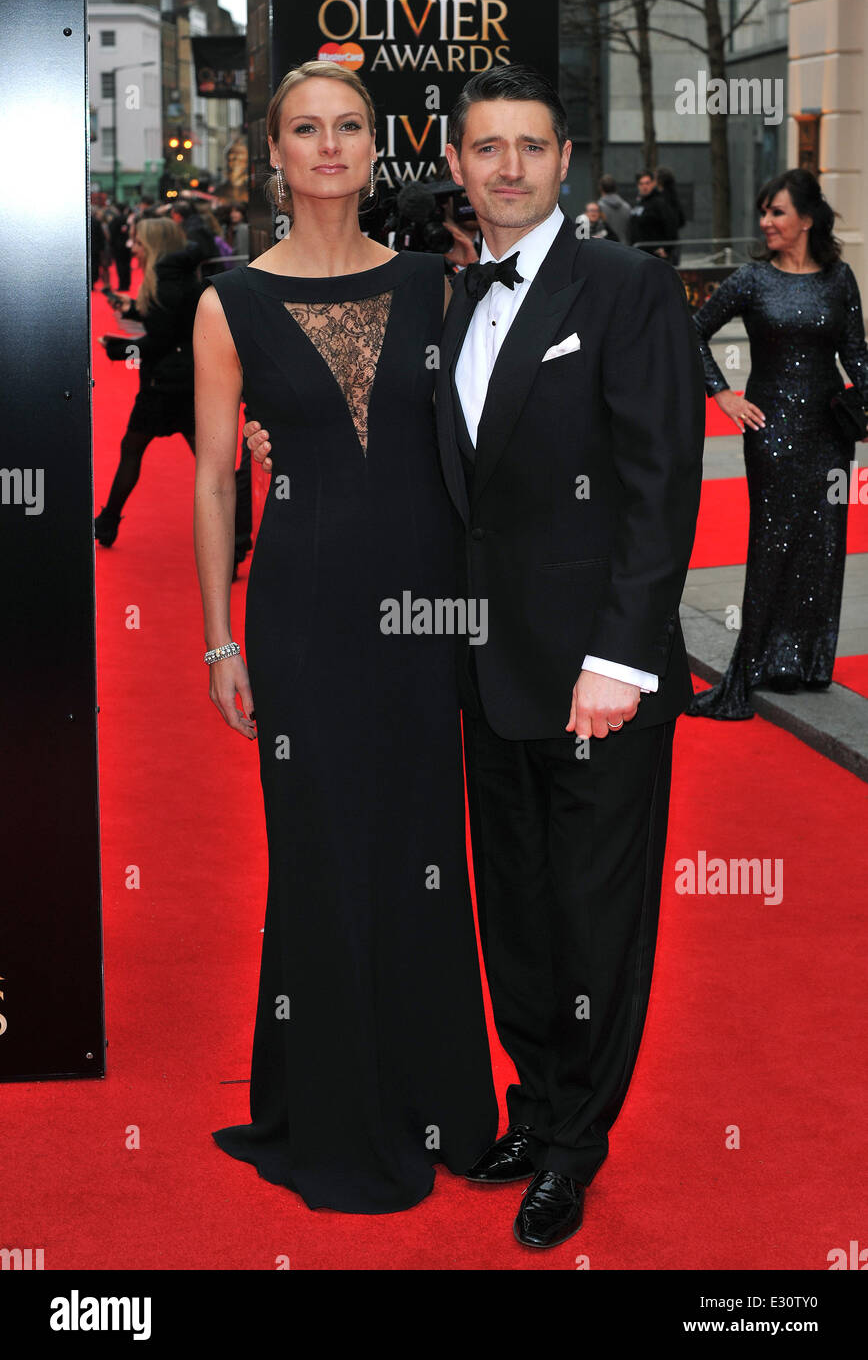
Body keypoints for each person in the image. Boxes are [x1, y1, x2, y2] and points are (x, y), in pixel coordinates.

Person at [245, 63, 706, 1247]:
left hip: (597, 676)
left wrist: (623, 658)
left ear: (565, 162)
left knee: (594, 922)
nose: (508, 168)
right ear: (455, 164)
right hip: (482, 673)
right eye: (486, 149)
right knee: (516, 915)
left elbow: (659, 488)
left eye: (531, 148)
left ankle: (573, 1145)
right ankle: (535, 1102)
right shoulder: (445, 299)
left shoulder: (627, 288)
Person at [193, 59, 497, 1215]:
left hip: (425, 619)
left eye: (348, 127)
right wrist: (220, 643)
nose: (327, 146)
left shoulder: (438, 284)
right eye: (304, 129)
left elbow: (485, 442)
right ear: (273, 152)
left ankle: (433, 1098)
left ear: (379, 147)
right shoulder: (231, 303)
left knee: (423, 847)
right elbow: (216, 487)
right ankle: (332, 1111)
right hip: (305, 619)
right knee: (321, 850)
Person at [687, 168, 868, 719]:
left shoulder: (840, 279)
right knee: (772, 542)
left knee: (822, 544)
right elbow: (692, 329)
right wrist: (722, 395)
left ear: (807, 220)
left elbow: (855, 352)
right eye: (764, 212)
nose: (766, 221)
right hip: (770, 431)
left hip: (828, 432)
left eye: (777, 212)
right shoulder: (751, 279)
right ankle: (755, 663)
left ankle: (802, 662)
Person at [95, 218, 203, 545]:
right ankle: (237, 534)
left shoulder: (166, 280)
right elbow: (167, 323)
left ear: (154, 244)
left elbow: (160, 341)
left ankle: (107, 523)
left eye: (138, 242)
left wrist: (116, 349)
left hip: (167, 384)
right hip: (185, 380)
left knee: (132, 447)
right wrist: (132, 312)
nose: (133, 248)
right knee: (208, 458)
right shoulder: (175, 277)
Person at [628, 169, 674, 259]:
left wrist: (667, 248)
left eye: (647, 183)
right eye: (641, 184)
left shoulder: (660, 202)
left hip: (655, 255)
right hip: (639, 252)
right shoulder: (639, 202)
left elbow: (671, 225)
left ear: (653, 183)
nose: (644, 186)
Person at [655, 166, 685, 265]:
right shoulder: (674, 197)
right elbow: (681, 220)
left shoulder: (662, 200)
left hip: (665, 245)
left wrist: (666, 248)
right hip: (674, 242)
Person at [598, 173, 631, 243]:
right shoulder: (627, 207)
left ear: (601, 188)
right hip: (625, 248)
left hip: (605, 248)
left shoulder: (598, 208)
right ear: (615, 188)